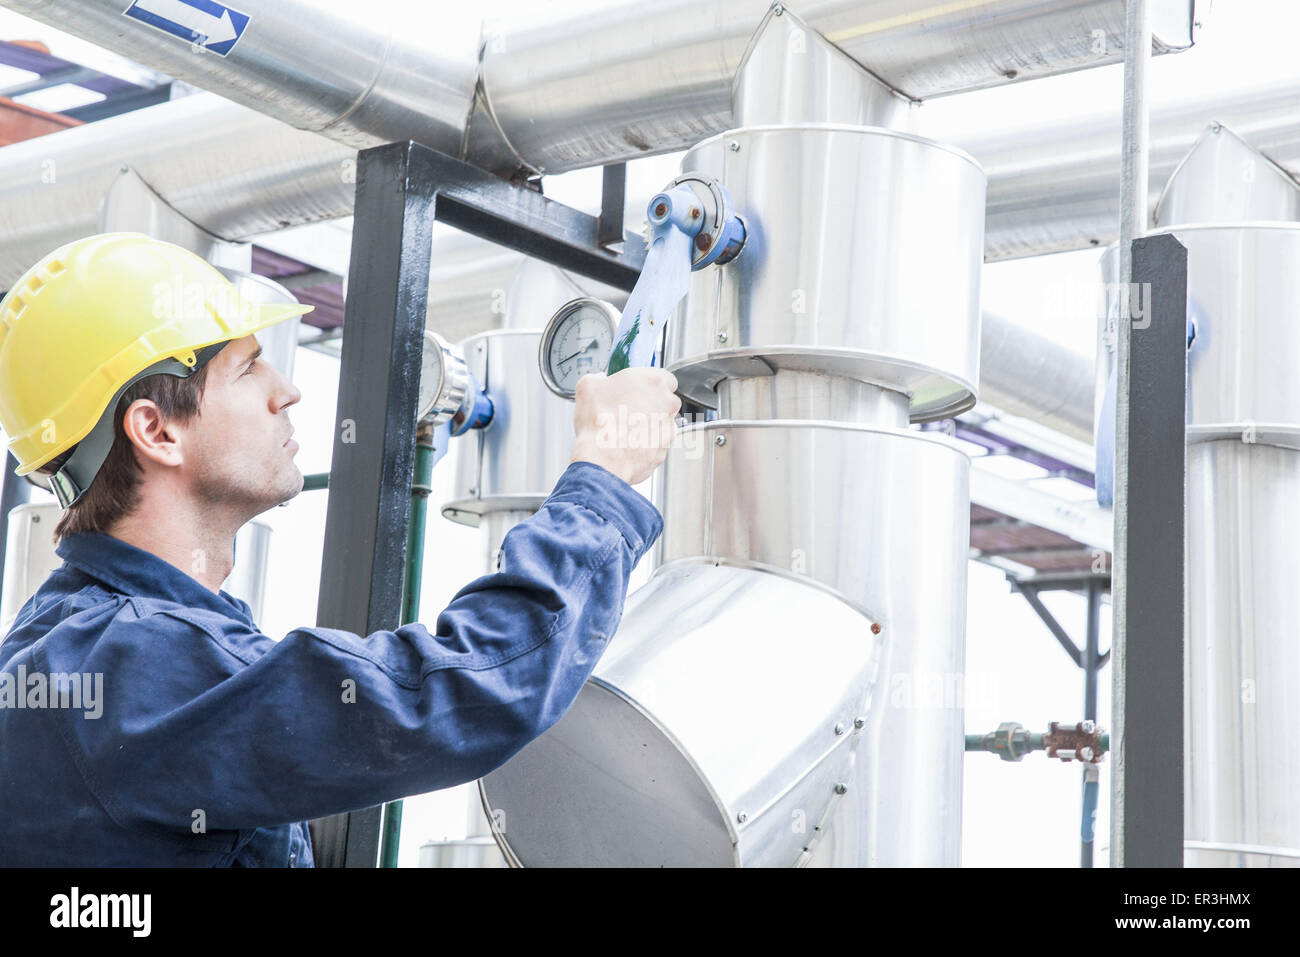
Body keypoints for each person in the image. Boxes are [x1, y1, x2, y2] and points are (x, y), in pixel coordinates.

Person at [0, 232, 680, 866]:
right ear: (157, 431)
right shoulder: (135, 665)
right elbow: (468, 687)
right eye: (247, 368)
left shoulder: (70, 644)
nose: (286, 390)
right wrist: (605, 474)